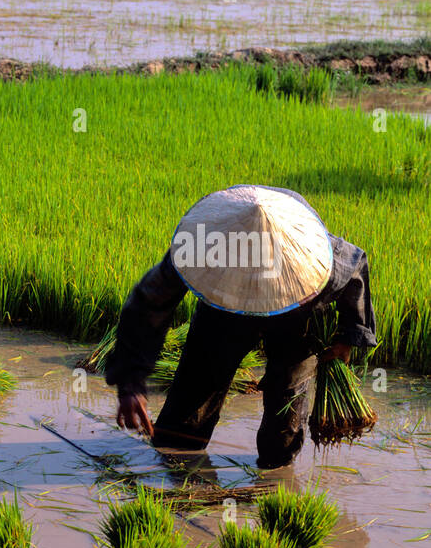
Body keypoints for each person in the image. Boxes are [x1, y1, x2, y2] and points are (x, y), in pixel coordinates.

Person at [106, 184, 375, 469]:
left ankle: (276, 476)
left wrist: (348, 336)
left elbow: (356, 267)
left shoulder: (316, 255)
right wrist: (131, 383)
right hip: (224, 311)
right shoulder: (200, 247)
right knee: (185, 417)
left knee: (285, 417)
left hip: (296, 309)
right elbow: (147, 305)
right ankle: (174, 470)